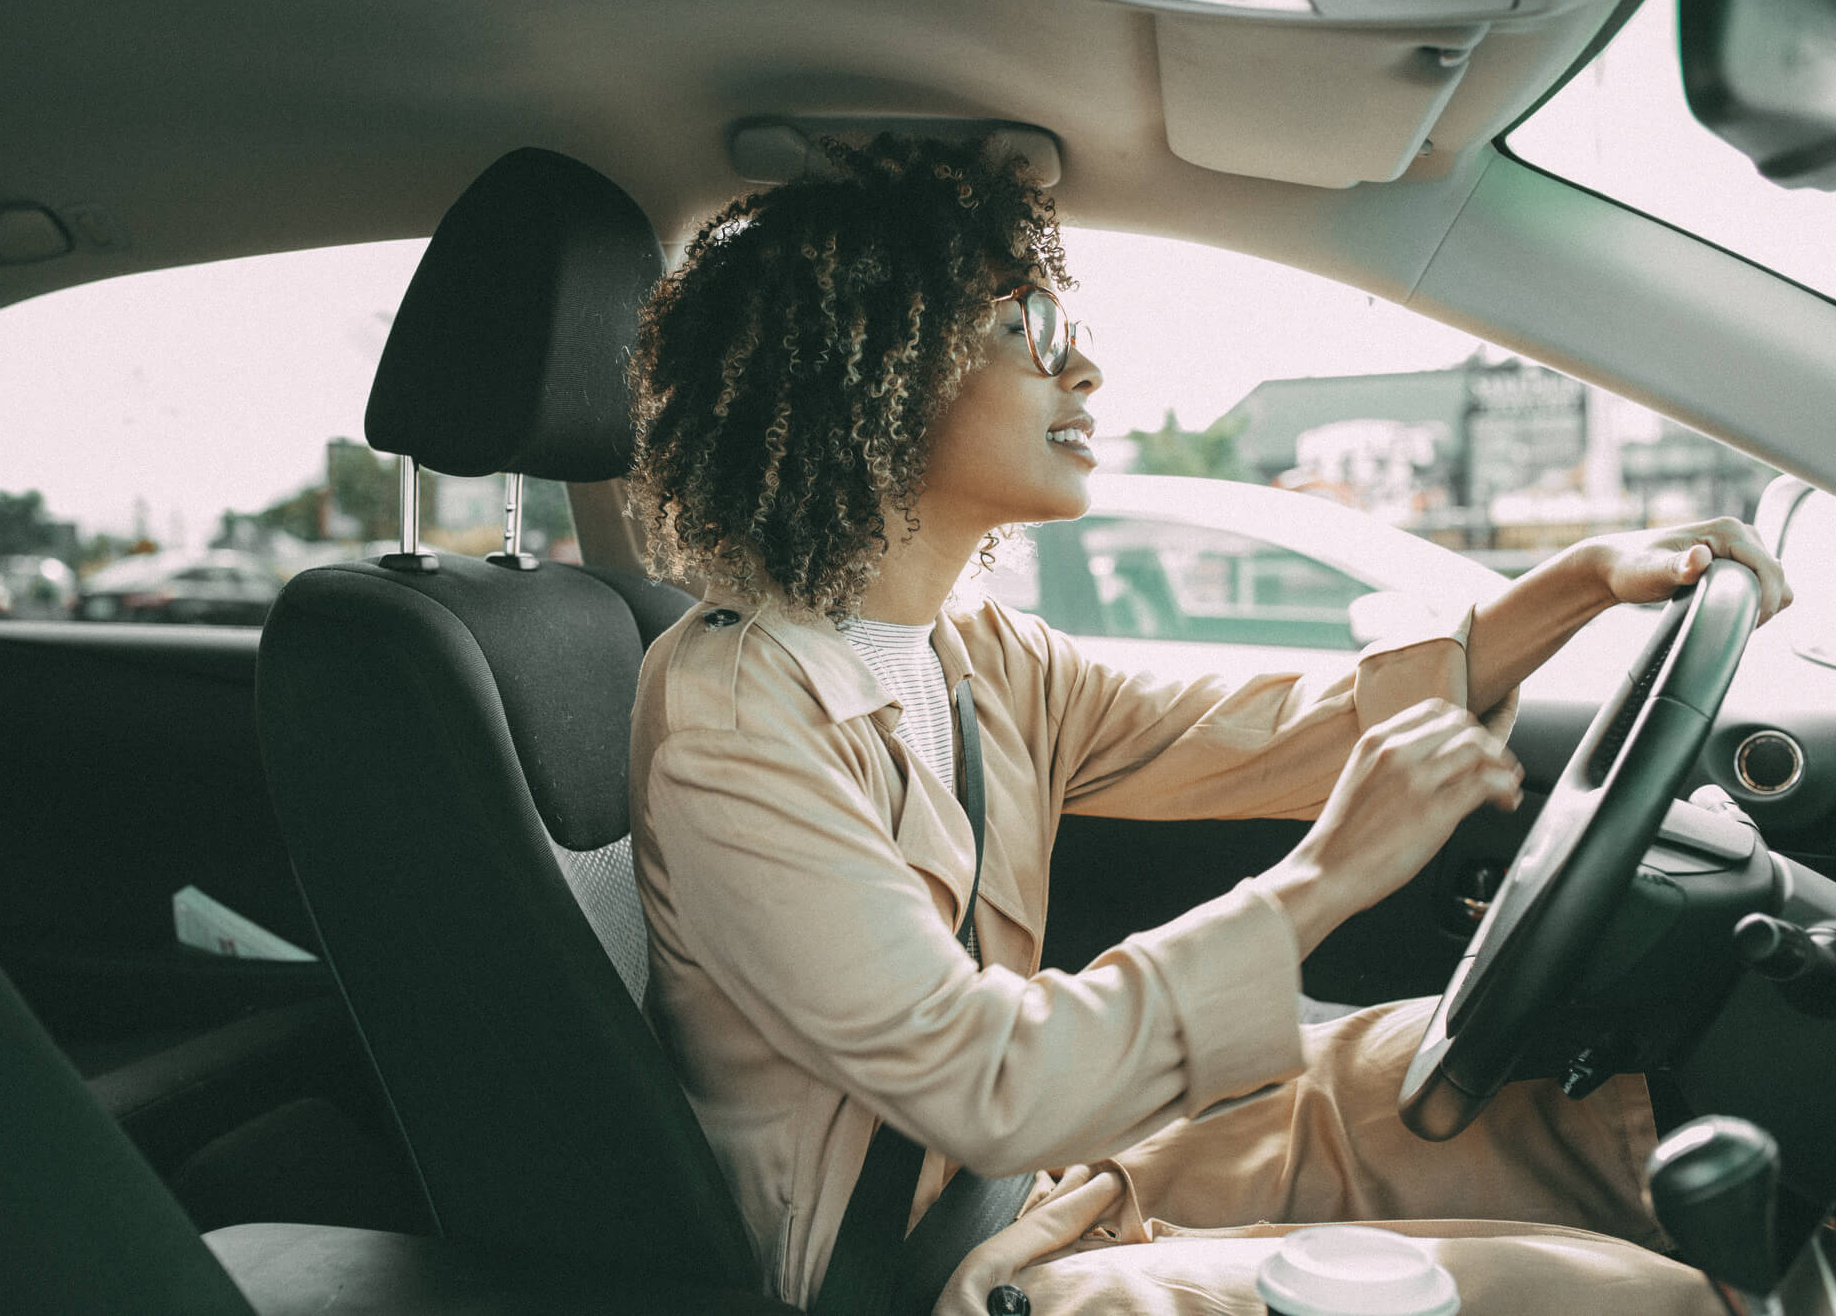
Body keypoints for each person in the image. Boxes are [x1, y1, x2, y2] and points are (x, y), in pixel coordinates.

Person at [623, 136, 1793, 1316]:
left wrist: (1581, 583)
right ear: (866, 373)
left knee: (1556, 1102)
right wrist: (1326, 876)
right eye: (1024, 324)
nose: (1080, 365)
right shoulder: (734, 720)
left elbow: (1302, 730)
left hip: (1040, 1177)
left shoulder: (976, 656)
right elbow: (988, 1083)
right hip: (929, 1273)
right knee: (1622, 1299)